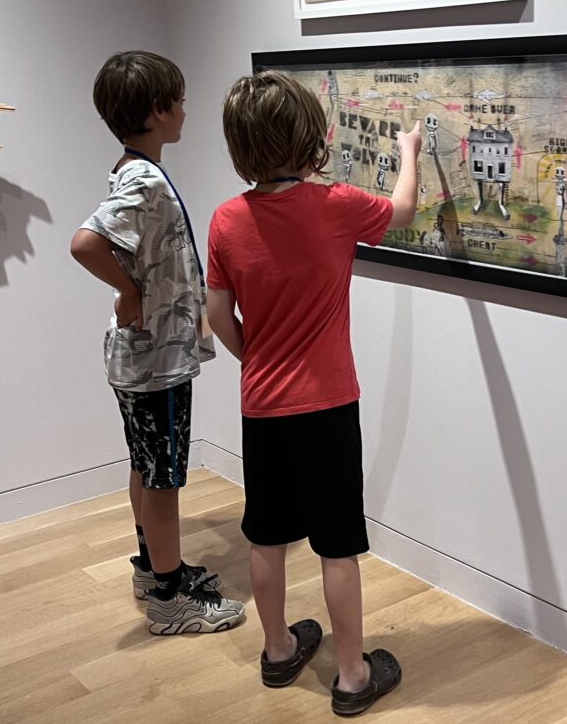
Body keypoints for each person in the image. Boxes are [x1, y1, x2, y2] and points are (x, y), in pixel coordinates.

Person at [206, 70, 421, 715]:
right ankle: (352, 676)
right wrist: (409, 151)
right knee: (338, 543)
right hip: (327, 404)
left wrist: (257, 360)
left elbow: (216, 314)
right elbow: (403, 212)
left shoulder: (226, 219)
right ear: (310, 138)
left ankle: (277, 651)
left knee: (266, 535)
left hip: (261, 404)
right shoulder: (337, 206)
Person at [71, 50, 244, 635]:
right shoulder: (144, 179)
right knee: (165, 478)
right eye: (180, 102)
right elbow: (85, 242)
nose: (185, 112)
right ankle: (171, 602)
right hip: (156, 360)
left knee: (146, 467)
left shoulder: (130, 168)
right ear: (157, 111)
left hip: (139, 356)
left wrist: (133, 288)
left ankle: (154, 568)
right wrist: (130, 289)